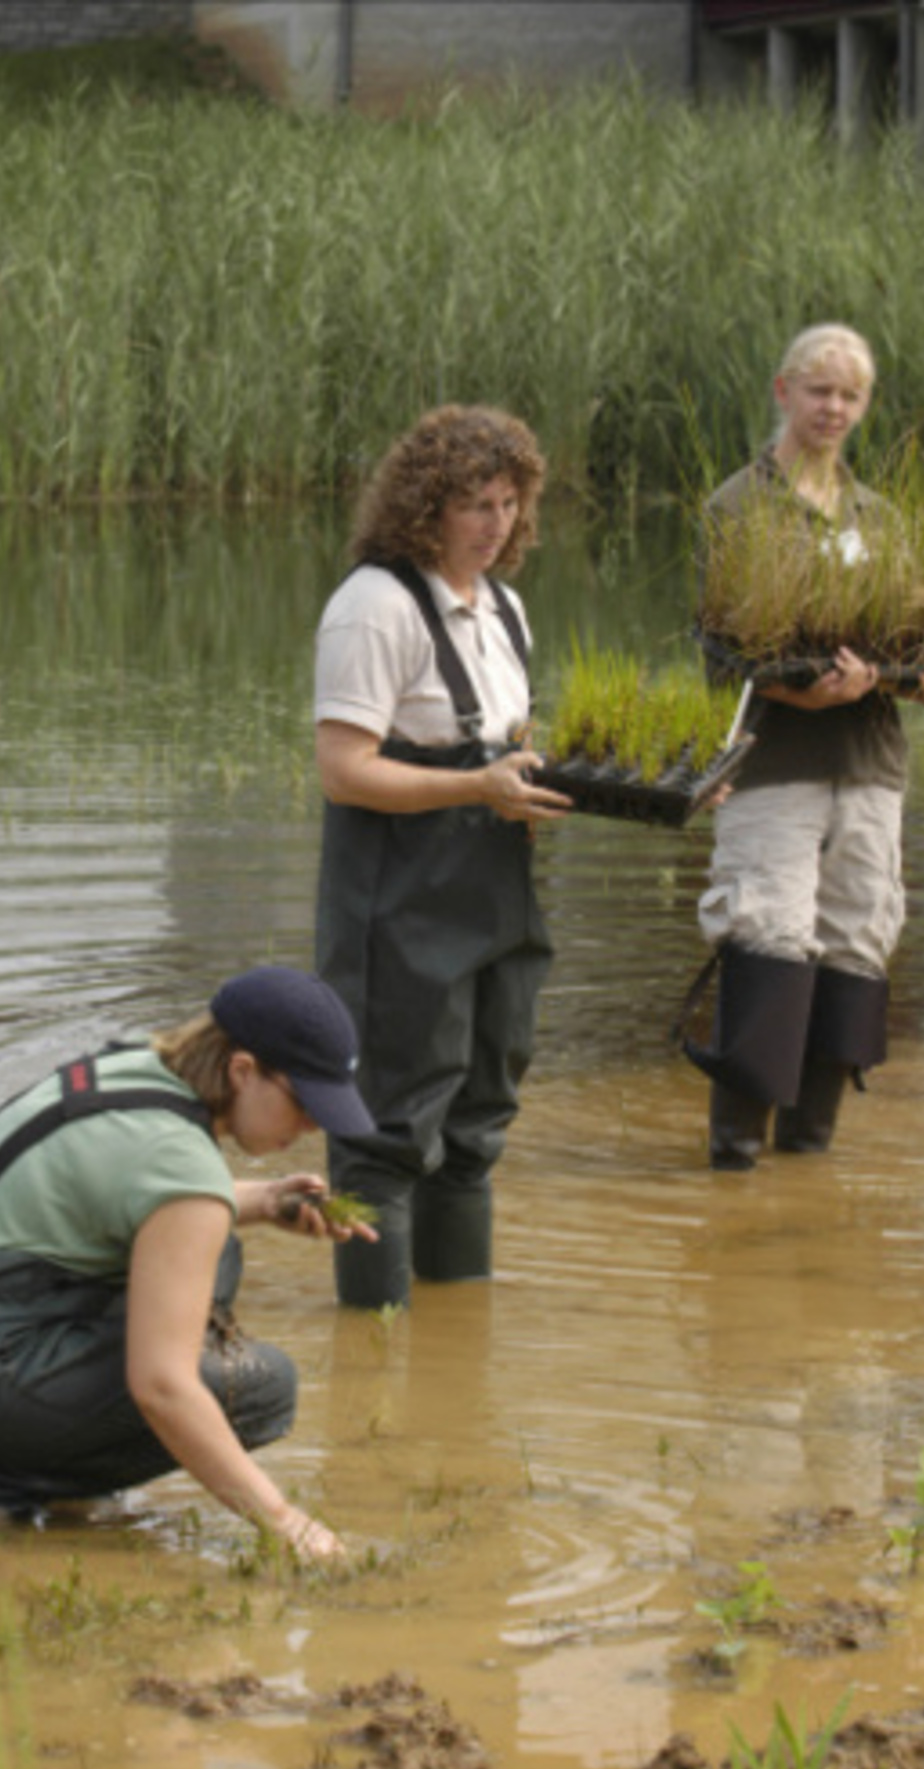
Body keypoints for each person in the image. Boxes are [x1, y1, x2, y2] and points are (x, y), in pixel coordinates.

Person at [0, 966, 378, 1556]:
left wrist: (263, 1200)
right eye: (306, 1104)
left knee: (216, 1244)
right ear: (242, 1070)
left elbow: (134, 1191)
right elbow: (162, 1387)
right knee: (259, 1389)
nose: (313, 1126)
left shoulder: (140, 1067)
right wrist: (286, 1523)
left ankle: (57, 1476)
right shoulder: (186, 1172)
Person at [684, 323, 924, 1170]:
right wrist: (794, 687)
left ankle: (807, 1164)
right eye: (819, 390)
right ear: (784, 391)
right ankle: (735, 1161)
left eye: (850, 395)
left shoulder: (881, 519)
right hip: (773, 767)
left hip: (870, 771)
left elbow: (918, 645)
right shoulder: (736, 505)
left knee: (855, 943)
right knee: (769, 937)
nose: (834, 408)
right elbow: (722, 654)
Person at [313, 403, 572, 1309]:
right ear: (425, 507)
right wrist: (476, 788)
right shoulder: (374, 606)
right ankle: (373, 1348)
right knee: (388, 1125)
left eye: (509, 503)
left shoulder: (504, 607)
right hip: (398, 905)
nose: (497, 524)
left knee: (477, 1120)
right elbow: (344, 772)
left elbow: (511, 749)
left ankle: (459, 1359)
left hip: (498, 898)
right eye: (475, 505)